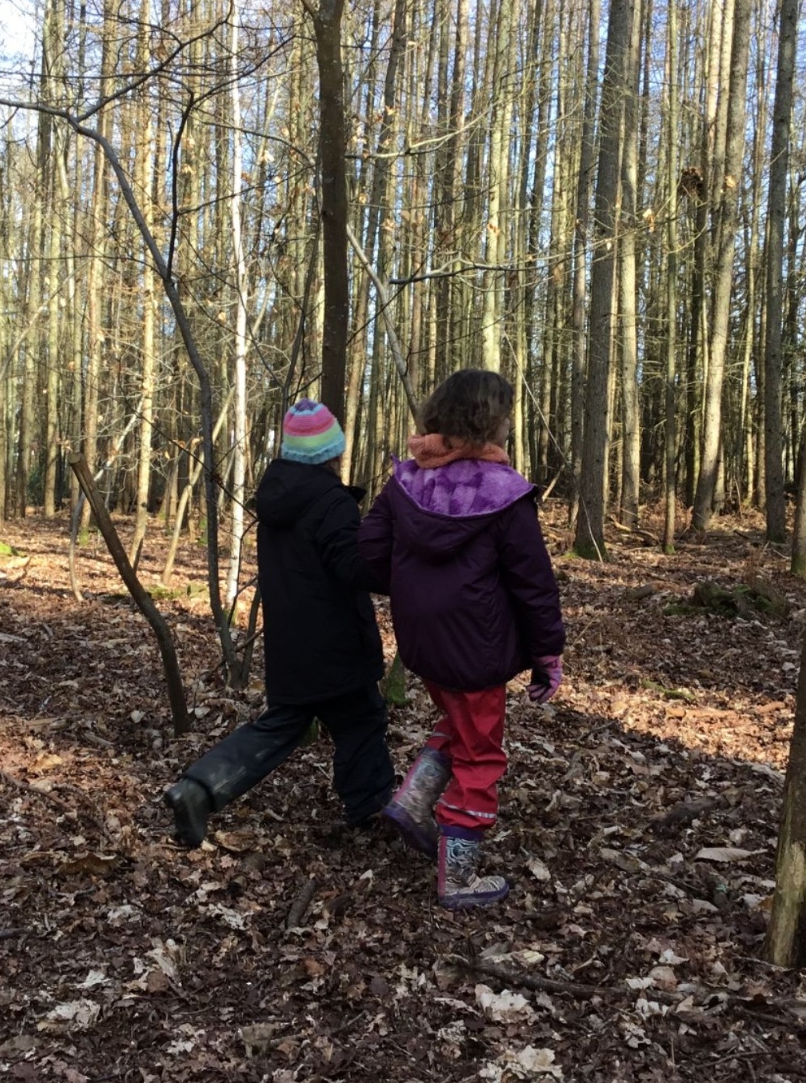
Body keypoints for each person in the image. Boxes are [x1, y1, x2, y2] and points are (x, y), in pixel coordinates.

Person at [358, 369, 565, 908]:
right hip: (477, 647)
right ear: (492, 422)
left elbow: (371, 552)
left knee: (459, 726)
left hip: (423, 640)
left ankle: (413, 799)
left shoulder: (406, 480)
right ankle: (458, 876)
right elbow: (533, 582)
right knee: (481, 755)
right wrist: (548, 654)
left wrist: (412, 586)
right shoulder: (505, 494)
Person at [164, 399, 394, 847]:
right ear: (332, 452)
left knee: (282, 726)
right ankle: (370, 807)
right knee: (362, 719)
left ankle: (198, 789)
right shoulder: (331, 501)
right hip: (337, 643)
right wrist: (400, 565)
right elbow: (352, 567)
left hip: (290, 644)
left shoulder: (278, 500)